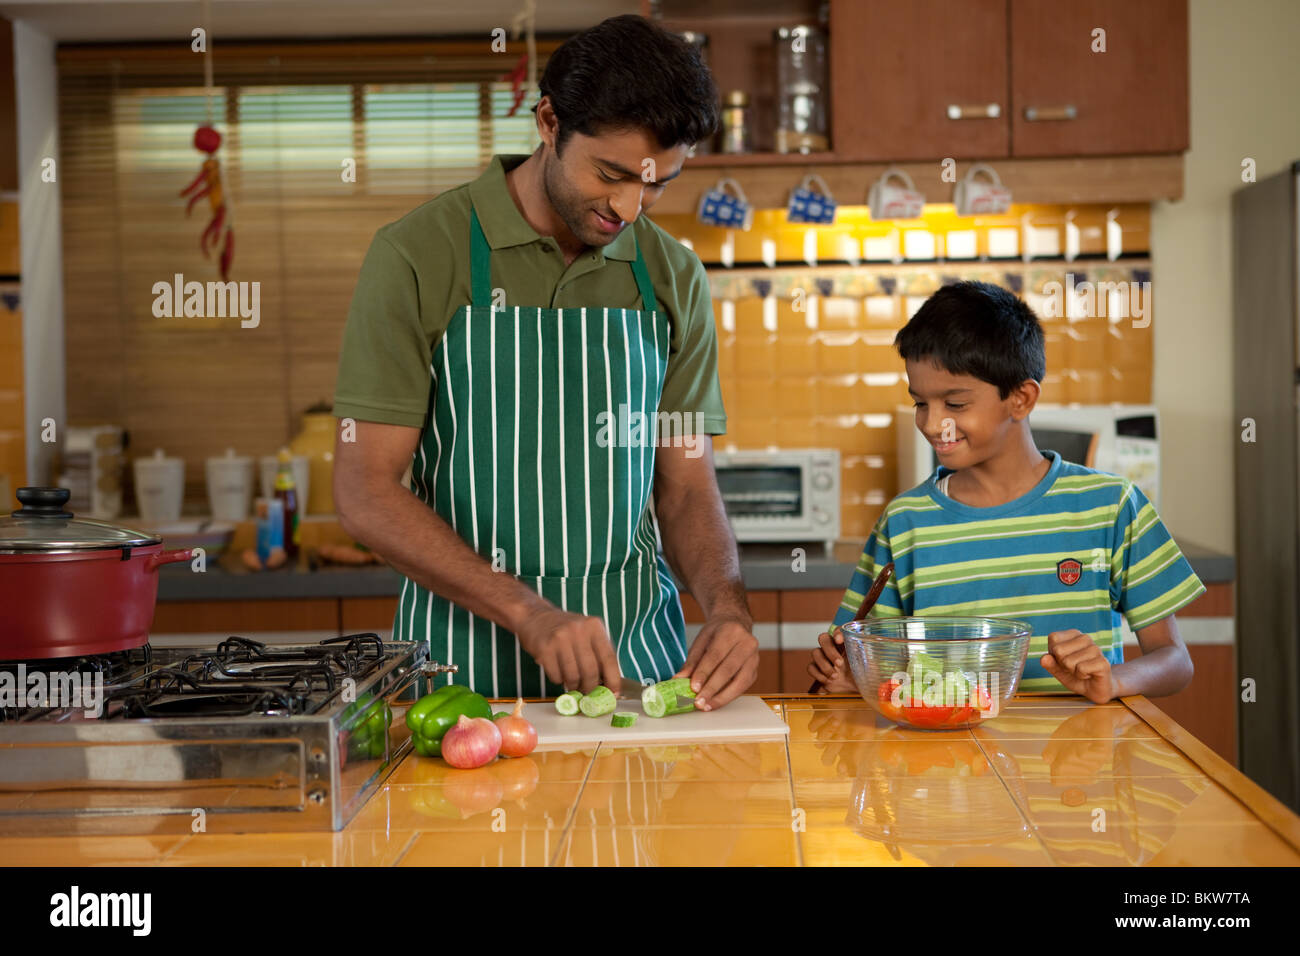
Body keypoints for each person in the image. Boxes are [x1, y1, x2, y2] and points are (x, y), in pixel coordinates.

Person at [332, 15, 758, 708]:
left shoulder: (672, 274)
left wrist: (728, 607)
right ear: (550, 122)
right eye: (612, 175)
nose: (629, 206)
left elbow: (684, 486)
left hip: (639, 678)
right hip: (461, 688)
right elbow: (364, 491)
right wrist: (528, 612)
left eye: (656, 184)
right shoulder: (417, 254)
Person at [808, 281, 1200, 702]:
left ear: (1021, 399)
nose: (931, 423)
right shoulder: (904, 523)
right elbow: (870, 669)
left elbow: (1174, 661)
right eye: (920, 403)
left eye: (955, 404)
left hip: (1083, 762)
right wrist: (855, 681)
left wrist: (1115, 680)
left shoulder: (1112, 507)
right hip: (947, 763)